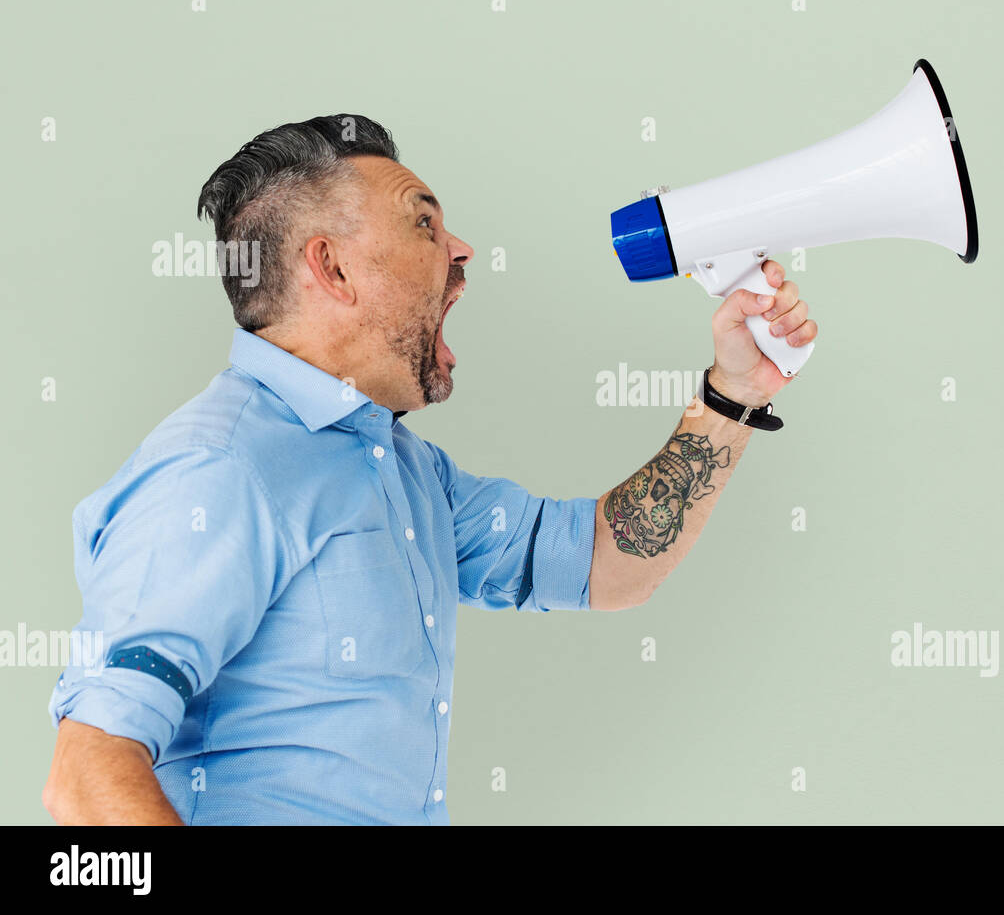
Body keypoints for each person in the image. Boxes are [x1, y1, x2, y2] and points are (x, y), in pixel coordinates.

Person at [41, 115, 817, 824]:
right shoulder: (217, 470)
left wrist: (733, 395)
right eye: (424, 223)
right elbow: (85, 775)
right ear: (333, 268)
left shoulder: (404, 470)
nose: (462, 250)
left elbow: (608, 564)